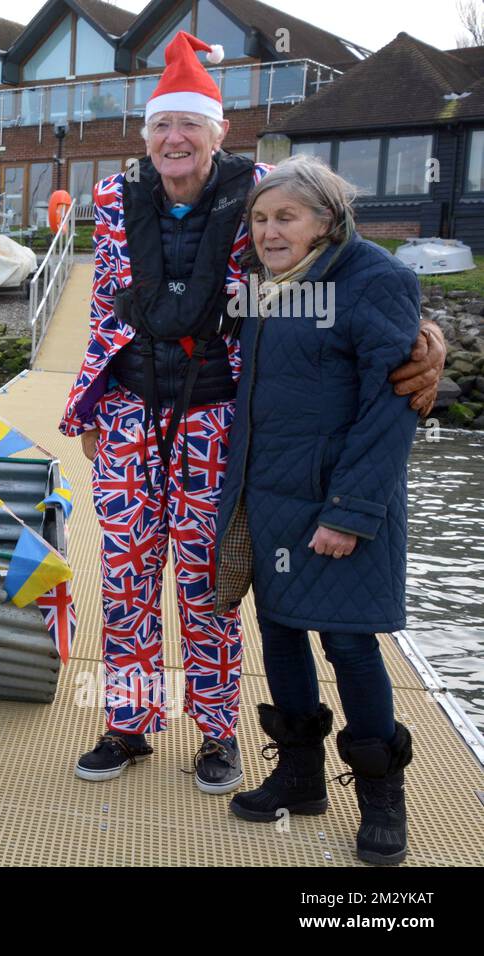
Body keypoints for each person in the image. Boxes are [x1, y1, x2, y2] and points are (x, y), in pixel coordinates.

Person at [59, 31, 445, 792]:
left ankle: (215, 731)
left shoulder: (267, 193)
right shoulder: (109, 200)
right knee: (127, 579)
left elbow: (337, 265)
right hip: (130, 416)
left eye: (190, 125)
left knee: (210, 583)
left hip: (221, 425)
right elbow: (105, 307)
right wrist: (92, 406)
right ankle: (130, 723)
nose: (175, 139)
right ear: (146, 135)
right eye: (162, 125)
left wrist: (419, 335)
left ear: (218, 130)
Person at [216, 156, 420, 865]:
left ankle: (381, 798)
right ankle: (300, 777)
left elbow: (391, 406)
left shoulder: (376, 280)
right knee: (280, 634)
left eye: (286, 218)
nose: (270, 231)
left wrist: (351, 512)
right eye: (261, 218)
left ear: (327, 221)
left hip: (338, 501)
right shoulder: (264, 288)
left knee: (350, 643)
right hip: (267, 495)